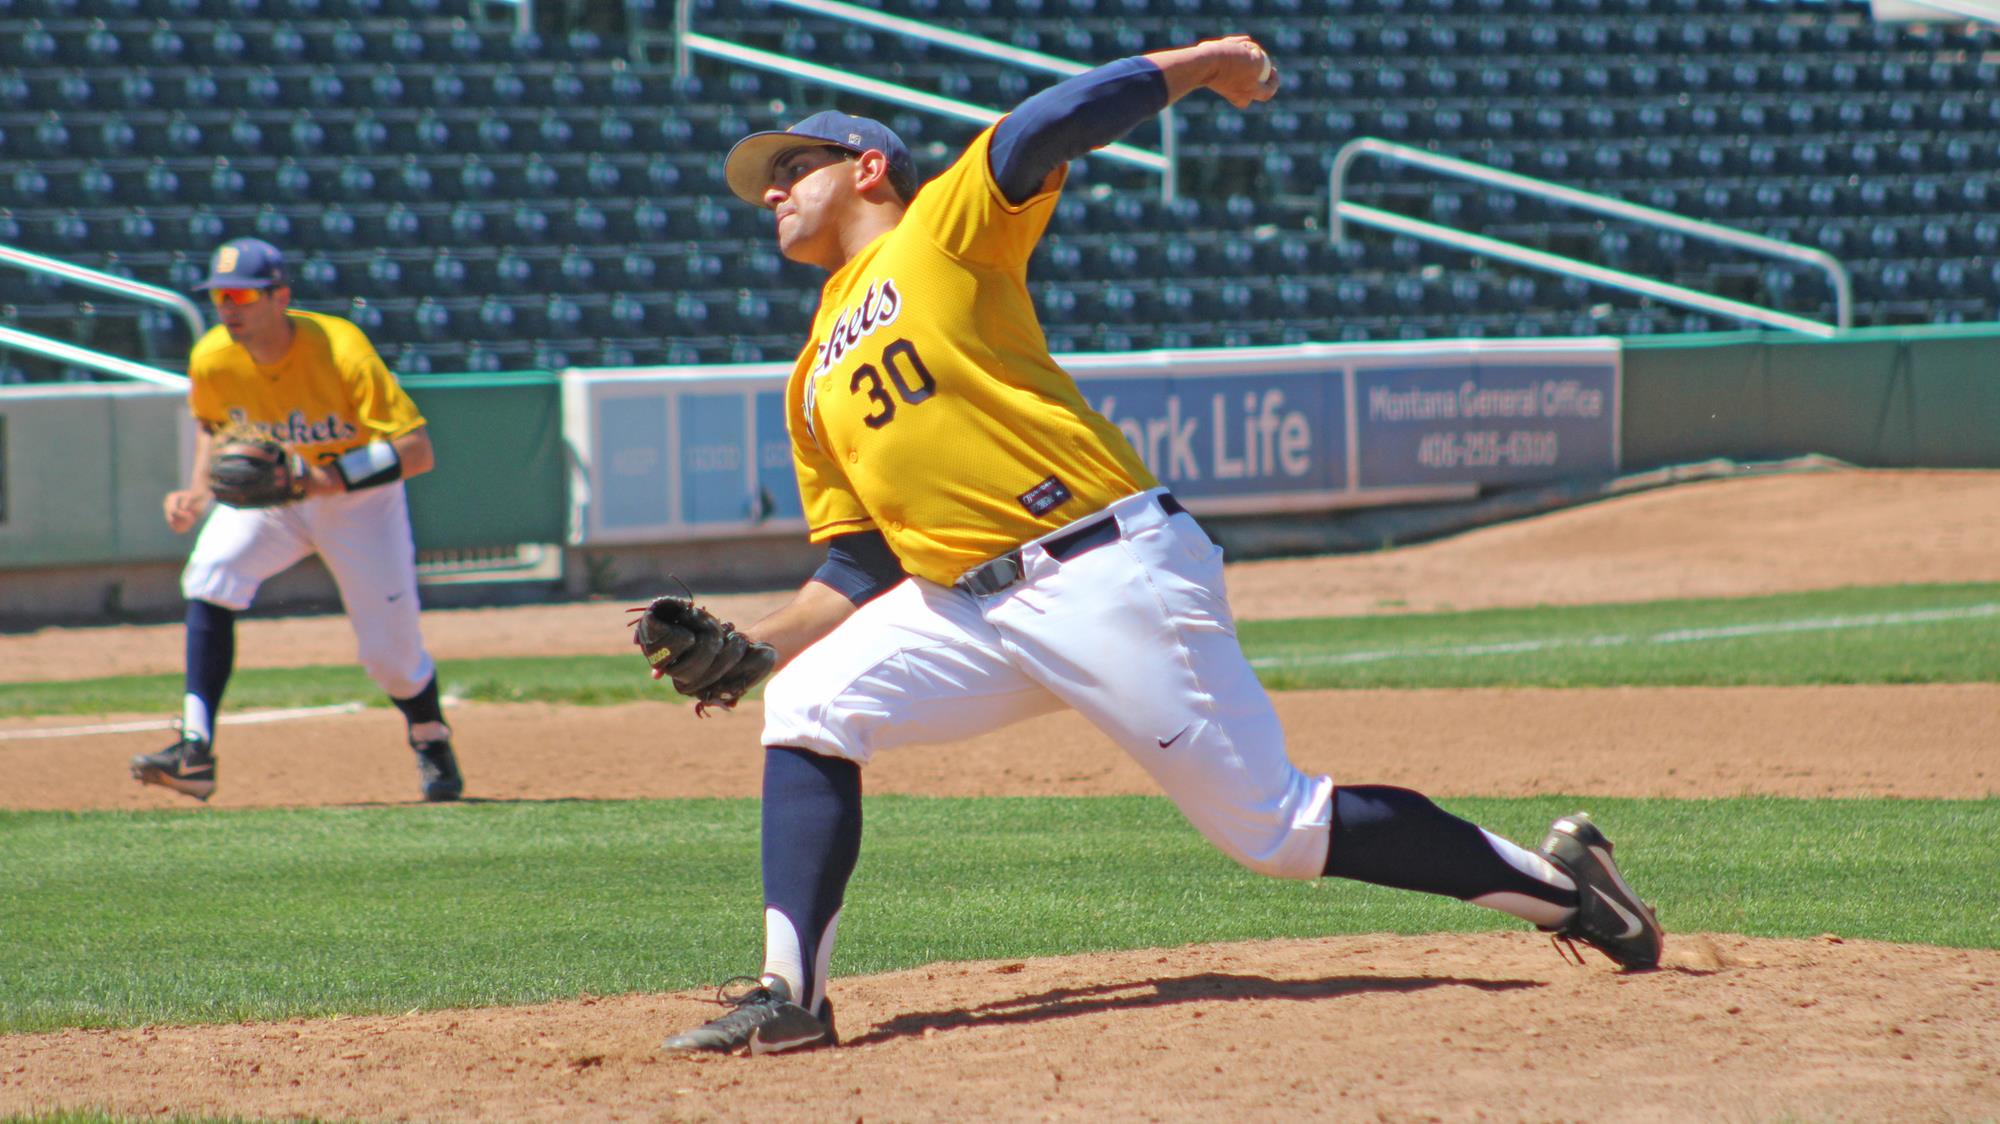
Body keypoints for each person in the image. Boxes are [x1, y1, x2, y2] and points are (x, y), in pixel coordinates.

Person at [657, 36, 1661, 1055]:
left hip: (1096, 566)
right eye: (766, 182)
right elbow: (858, 561)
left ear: (868, 167)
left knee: (1275, 830)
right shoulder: (807, 378)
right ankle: (792, 995)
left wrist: (1208, 61)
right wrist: (759, 644)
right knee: (809, 701)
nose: (771, 192)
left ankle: (1565, 892)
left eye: (793, 167)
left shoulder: (940, 234)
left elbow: (1044, 126)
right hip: (962, 602)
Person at [130, 237, 464, 804]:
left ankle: (429, 734)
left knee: (392, 657)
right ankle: (194, 751)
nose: (228, 307)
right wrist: (197, 492)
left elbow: (416, 451)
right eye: (218, 296)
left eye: (240, 294)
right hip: (275, 502)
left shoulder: (340, 347)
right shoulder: (213, 356)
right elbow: (215, 428)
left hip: (359, 504)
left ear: (280, 296)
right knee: (210, 574)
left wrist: (324, 480)